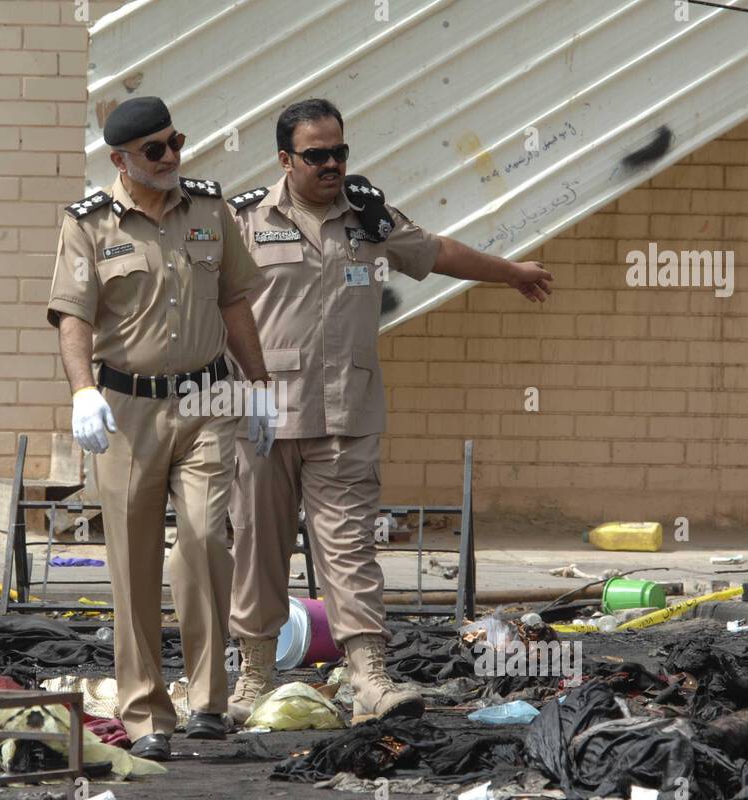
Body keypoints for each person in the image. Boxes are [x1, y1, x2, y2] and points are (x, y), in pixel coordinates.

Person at [225, 98, 554, 725]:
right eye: (317, 154)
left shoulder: (370, 219)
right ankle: (256, 676)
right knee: (257, 548)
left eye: (339, 151)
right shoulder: (244, 219)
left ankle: (368, 676)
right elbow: (209, 299)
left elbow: (436, 252)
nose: (332, 164)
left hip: (347, 413)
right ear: (285, 159)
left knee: (349, 549)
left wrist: (509, 272)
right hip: (262, 416)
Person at [47, 96, 275, 760]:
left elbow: (234, 301)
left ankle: (207, 700)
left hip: (206, 400)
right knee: (133, 560)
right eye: (155, 149)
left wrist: (261, 391)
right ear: (120, 160)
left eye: (175, 142)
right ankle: (146, 712)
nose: (172, 156)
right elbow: (73, 317)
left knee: (206, 537)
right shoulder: (87, 224)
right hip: (125, 410)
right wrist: (82, 391)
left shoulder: (209, 209)